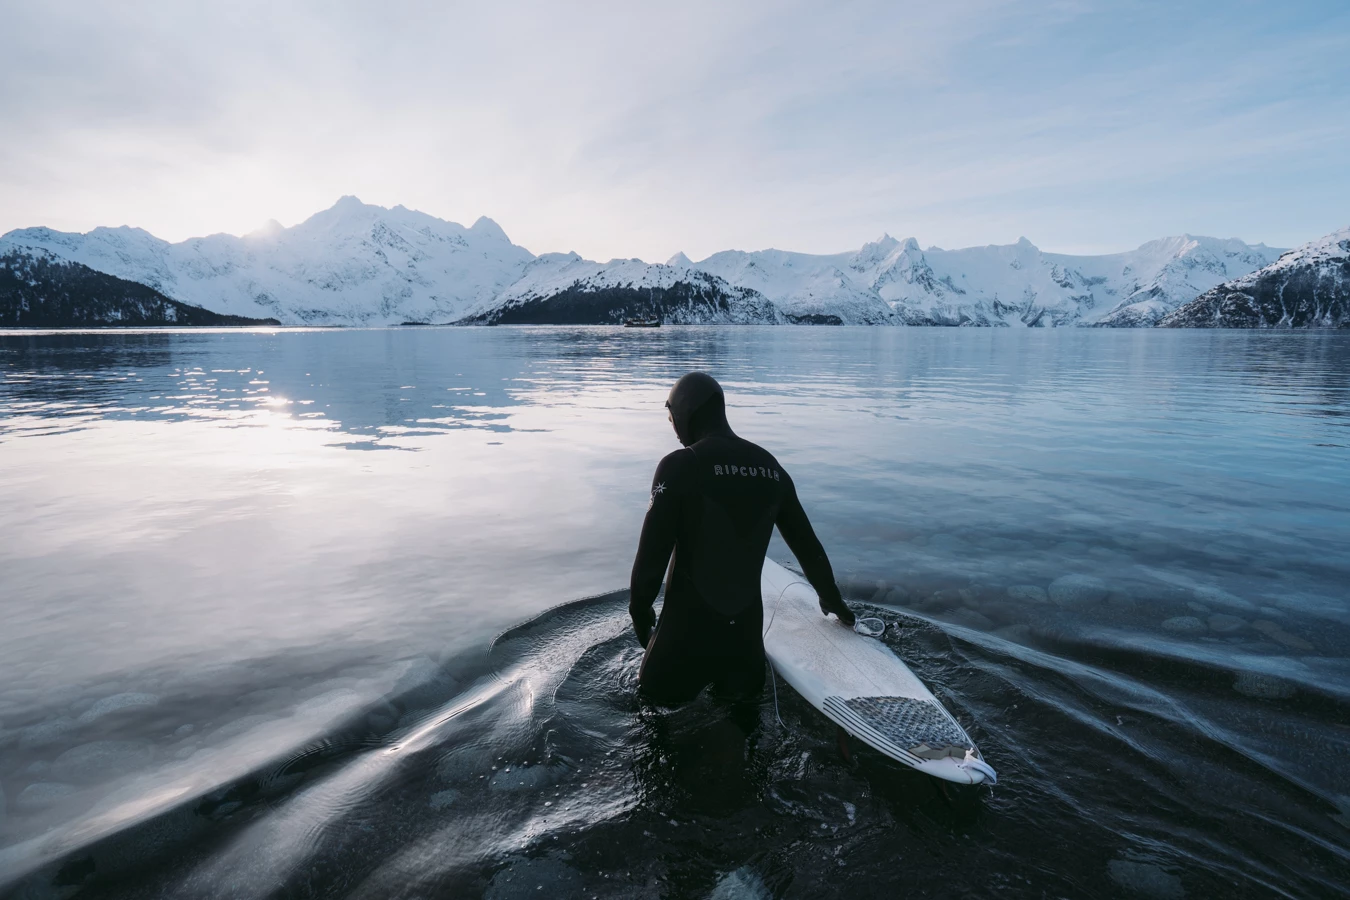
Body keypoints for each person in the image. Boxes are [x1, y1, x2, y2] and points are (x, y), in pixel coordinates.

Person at [629, 371, 855, 706]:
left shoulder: (680, 466)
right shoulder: (771, 468)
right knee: (746, 736)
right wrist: (834, 603)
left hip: (683, 642)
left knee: (652, 728)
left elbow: (652, 557)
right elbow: (808, 548)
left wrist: (640, 610)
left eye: (671, 417)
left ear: (685, 413)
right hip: (745, 646)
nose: (674, 430)